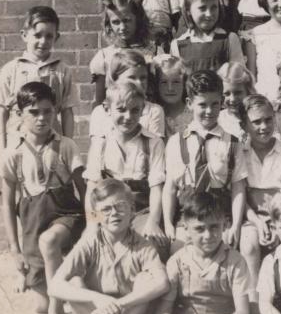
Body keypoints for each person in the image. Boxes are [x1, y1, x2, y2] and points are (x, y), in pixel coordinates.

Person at [127, 191, 258, 314]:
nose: (208, 235)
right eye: (199, 229)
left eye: (214, 227)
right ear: (187, 229)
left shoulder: (235, 260)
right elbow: (163, 312)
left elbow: (242, 312)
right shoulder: (177, 261)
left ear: (224, 225)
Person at [0, 82, 86, 314]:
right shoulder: (12, 153)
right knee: (40, 303)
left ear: (55, 111)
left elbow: (84, 188)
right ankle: (54, 291)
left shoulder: (66, 145)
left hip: (67, 215)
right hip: (32, 220)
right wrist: (14, 250)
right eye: (34, 112)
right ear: (20, 113)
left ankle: (56, 313)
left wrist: (92, 224)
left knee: (49, 242)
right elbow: (7, 202)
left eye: (47, 111)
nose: (42, 118)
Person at [50, 179, 169, 314]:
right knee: (73, 282)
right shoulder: (90, 242)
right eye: (106, 209)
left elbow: (163, 283)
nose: (114, 214)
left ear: (132, 210)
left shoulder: (143, 246)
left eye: (120, 207)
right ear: (95, 215)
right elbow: (54, 286)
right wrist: (96, 298)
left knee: (147, 279)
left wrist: (121, 304)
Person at [162, 71, 248, 245]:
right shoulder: (175, 142)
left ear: (221, 103)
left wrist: (236, 226)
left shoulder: (232, 143)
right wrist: (168, 223)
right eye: (202, 105)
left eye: (215, 104)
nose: (209, 111)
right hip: (187, 217)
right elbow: (170, 188)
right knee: (178, 251)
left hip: (220, 218)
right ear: (189, 103)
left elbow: (238, 188)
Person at [83, 80, 168, 257]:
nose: (128, 116)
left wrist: (153, 221)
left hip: (141, 211)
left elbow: (156, 189)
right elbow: (91, 189)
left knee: (149, 245)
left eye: (135, 110)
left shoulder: (154, 143)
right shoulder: (101, 143)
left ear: (143, 109)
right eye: (121, 109)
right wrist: (92, 224)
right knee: (98, 246)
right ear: (107, 109)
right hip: (108, 211)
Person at [0, 6, 77, 156]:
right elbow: (2, 112)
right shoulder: (11, 69)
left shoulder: (62, 70)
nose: (43, 41)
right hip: (18, 144)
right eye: (37, 35)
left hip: (52, 146)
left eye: (49, 36)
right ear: (24, 35)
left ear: (56, 37)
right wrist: (2, 149)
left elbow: (67, 112)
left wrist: (67, 147)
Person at [237, 95, 281, 291]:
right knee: (249, 244)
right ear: (244, 125)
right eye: (256, 122)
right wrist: (257, 221)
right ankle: (254, 298)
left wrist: (276, 223)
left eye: (268, 120)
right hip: (250, 216)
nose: (263, 126)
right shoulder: (240, 153)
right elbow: (241, 195)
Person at [88, 0, 158, 106]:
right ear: (108, 24)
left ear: (138, 19)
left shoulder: (152, 51)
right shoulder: (105, 56)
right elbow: (100, 100)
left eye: (127, 20)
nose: (122, 27)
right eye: (116, 22)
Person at [168, 0, 245, 74]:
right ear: (188, 10)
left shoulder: (229, 39)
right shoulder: (178, 45)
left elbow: (239, 77)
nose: (209, 14)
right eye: (202, 8)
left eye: (214, 7)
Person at [90, 50, 166, 139]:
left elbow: (155, 147)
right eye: (132, 77)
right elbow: (98, 148)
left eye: (143, 78)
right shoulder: (100, 113)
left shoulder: (153, 111)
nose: (139, 82)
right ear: (115, 79)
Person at [150, 55, 190, 139]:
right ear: (157, 85)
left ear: (184, 83)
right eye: (164, 82)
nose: (170, 88)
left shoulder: (193, 113)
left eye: (176, 82)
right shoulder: (153, 115)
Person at [217, 62, 256, 142]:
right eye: (226, 94)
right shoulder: (218, 120)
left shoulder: (257, 115)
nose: (233, 99)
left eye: (238, 93)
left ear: (248, 91)